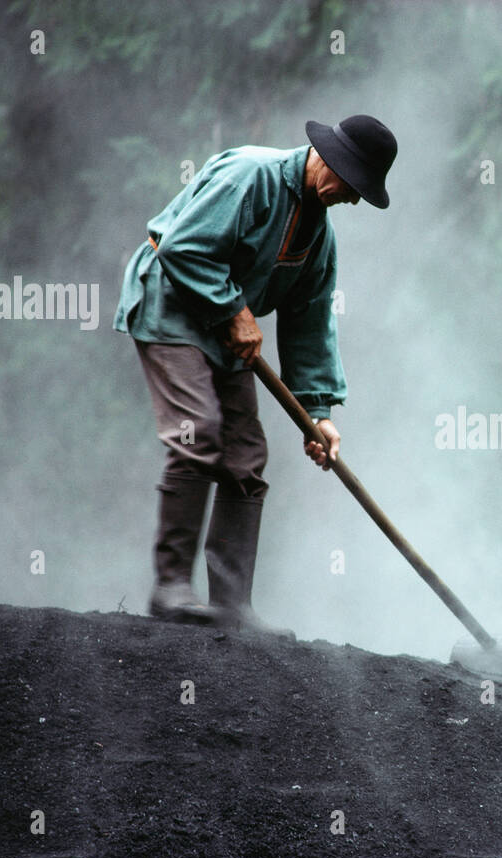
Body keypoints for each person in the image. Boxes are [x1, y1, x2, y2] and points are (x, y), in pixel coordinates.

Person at [112, 115, 398, 631]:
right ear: (326, 159)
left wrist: (318, 413)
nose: (352, 199)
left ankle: (231, 605)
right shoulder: (249, 175)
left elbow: (310, 323)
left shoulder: (319, 237)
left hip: (224, 329)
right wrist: (234, 311)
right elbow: (181, 246)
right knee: (197, 431)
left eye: (361, 192)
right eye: (351, 185)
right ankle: (171, 587)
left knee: (245, 456)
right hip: (170, 306)